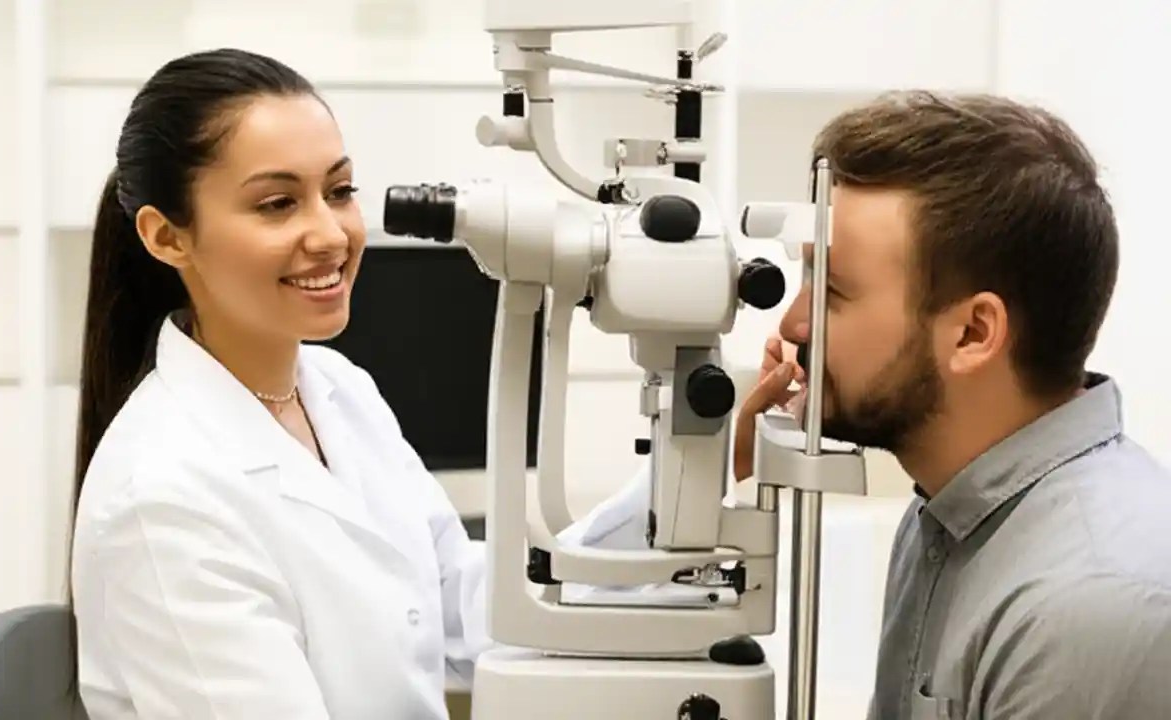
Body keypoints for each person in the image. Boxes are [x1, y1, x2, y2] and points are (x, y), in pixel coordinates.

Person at [68, 48, 649, 719]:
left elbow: (470, 609)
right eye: (278, 203)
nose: (331, 234)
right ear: (168, 238)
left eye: (339, 191)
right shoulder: (162, 498)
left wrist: (676, 494)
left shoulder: (336, 388)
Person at [732, 90, 1171, 719]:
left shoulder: (1085, 608)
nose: (795, 323)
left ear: (972, 334)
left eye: (832, 291)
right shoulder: (944, 517)